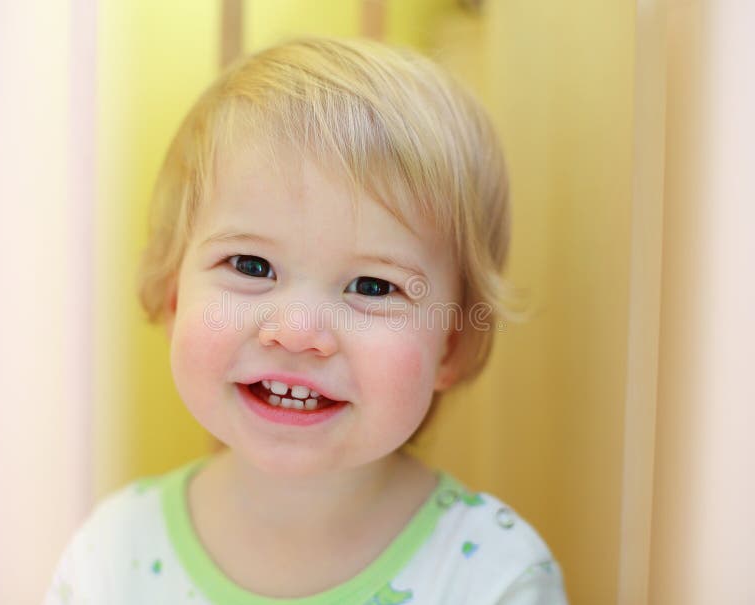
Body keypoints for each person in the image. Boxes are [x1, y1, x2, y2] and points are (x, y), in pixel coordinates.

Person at [43, 36, 569, 604]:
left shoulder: (494, 578)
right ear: (174, 299)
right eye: (251, 265)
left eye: (372, 286)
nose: (296, 332)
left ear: (451, 344)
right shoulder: (111, 558)